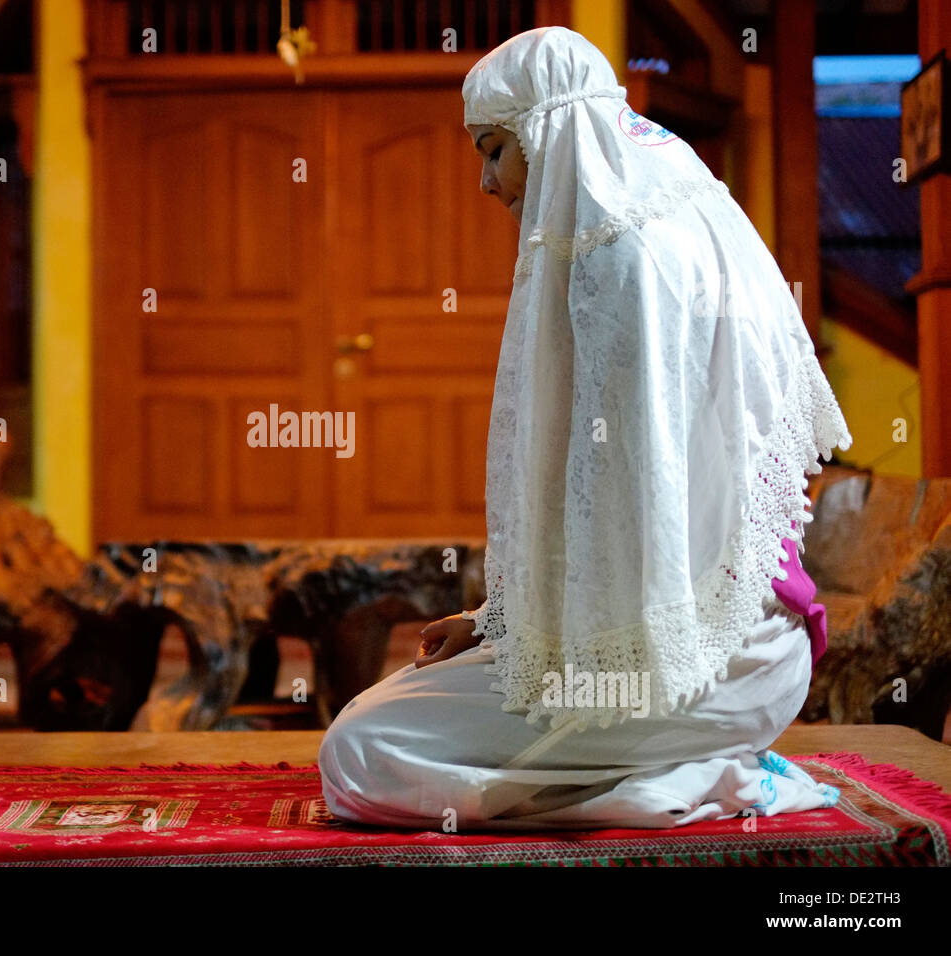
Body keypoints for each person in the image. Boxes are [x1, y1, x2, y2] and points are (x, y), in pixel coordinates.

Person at [317, 26, 852, 831]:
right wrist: (495, 622)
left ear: (547, 130)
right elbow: (620, 520)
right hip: (726, 644)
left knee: (358, 752)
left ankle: (687, 780)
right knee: (382, 714)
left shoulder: (623, 261)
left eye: (494, 150)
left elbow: (642, 526)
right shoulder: (658, 213)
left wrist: (514, 628)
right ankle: (668, 770)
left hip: (714, 657)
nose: (487, 183)